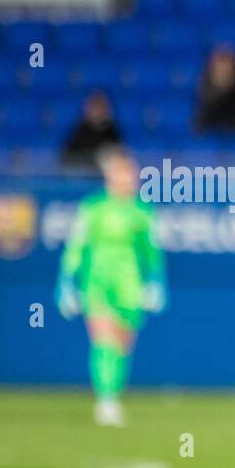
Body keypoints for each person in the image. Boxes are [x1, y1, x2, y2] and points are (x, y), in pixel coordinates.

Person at [55, 148, 166, 426]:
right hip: (98, 280)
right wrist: (66, 282)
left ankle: (113, 393)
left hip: (129, 283)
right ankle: (106, 400)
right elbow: (76, 246)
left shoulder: (142, 212)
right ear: (109, 177)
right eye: (120, 174)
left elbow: (151, 251)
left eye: (129, 175)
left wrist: (156, 282)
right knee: (103, 340)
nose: (125, 180)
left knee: (122, 344)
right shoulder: (92, 208)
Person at [61, 91, 122, 169]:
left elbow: (119, 156)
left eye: (100, 107)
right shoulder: (79, 130)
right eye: (94, 108)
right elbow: (67, 157)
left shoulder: (112, 131)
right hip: (82, 172)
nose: (97, 112)